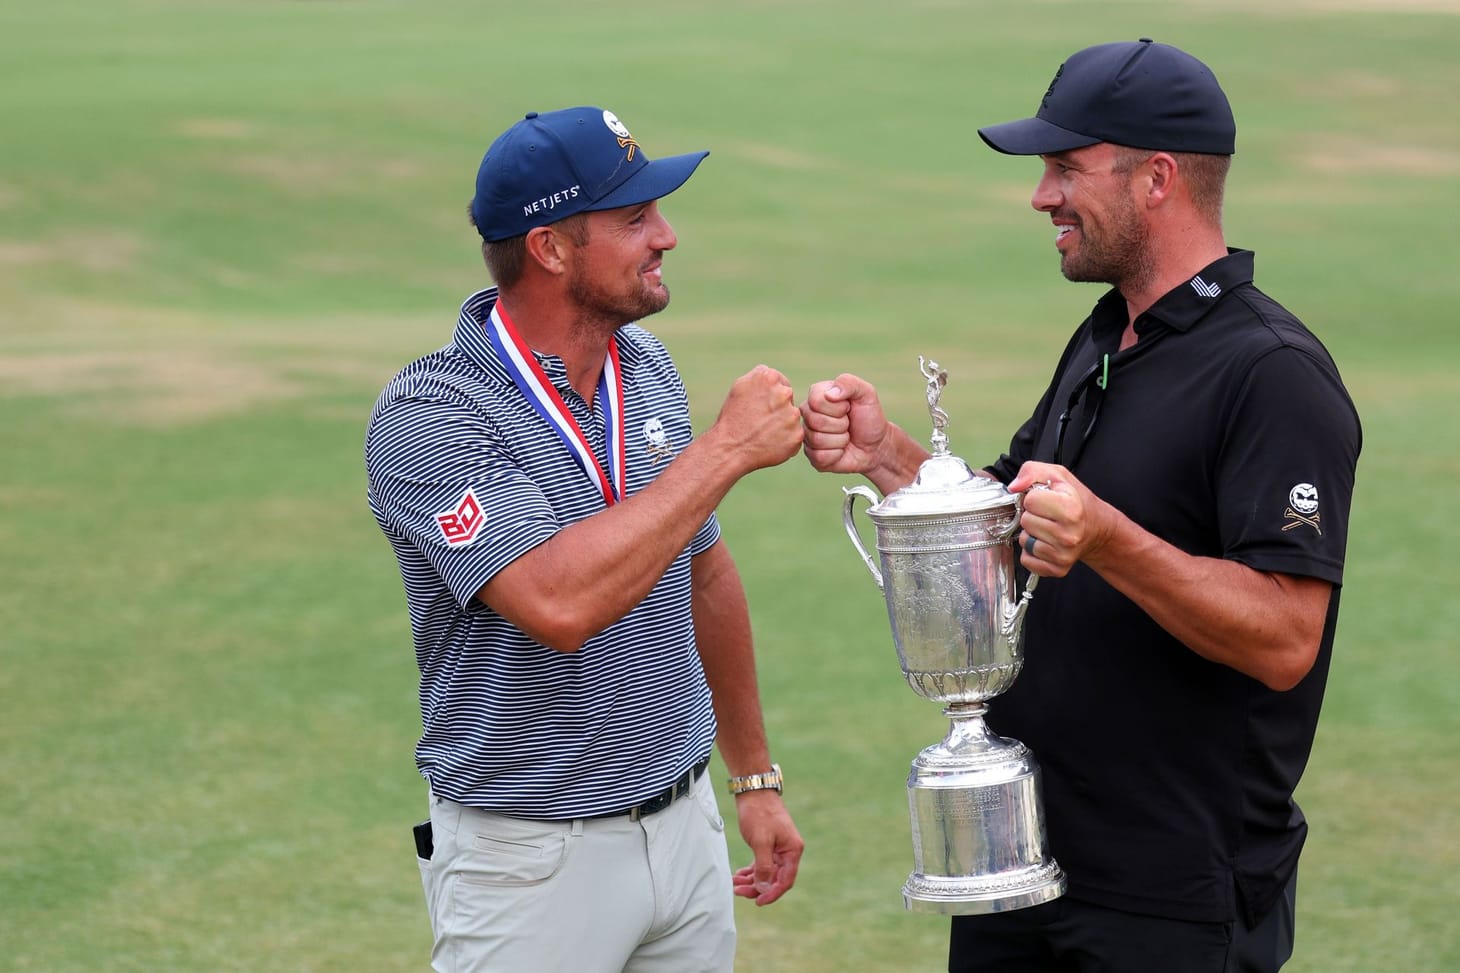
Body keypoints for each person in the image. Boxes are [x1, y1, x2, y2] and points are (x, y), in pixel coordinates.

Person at [800, 40, 1360, 973]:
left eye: (1067, 168)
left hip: (1171, 895)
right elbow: (1016, 526)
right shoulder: (1108, 333)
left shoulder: (1273, 375)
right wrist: (890, 456)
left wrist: (1107, 538)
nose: (1041, 195)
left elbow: (1285, 635)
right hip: (1022, 857)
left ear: (1158, 178)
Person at [365, 106, 804, 973]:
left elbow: (703, 573)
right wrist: (722, 451)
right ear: (552, 248)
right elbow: (560, 603)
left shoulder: (647, 367)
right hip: (530, 865)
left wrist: (753, 779)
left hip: (685, 834)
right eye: (634, 218)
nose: (667, 236)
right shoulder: (429, 416)